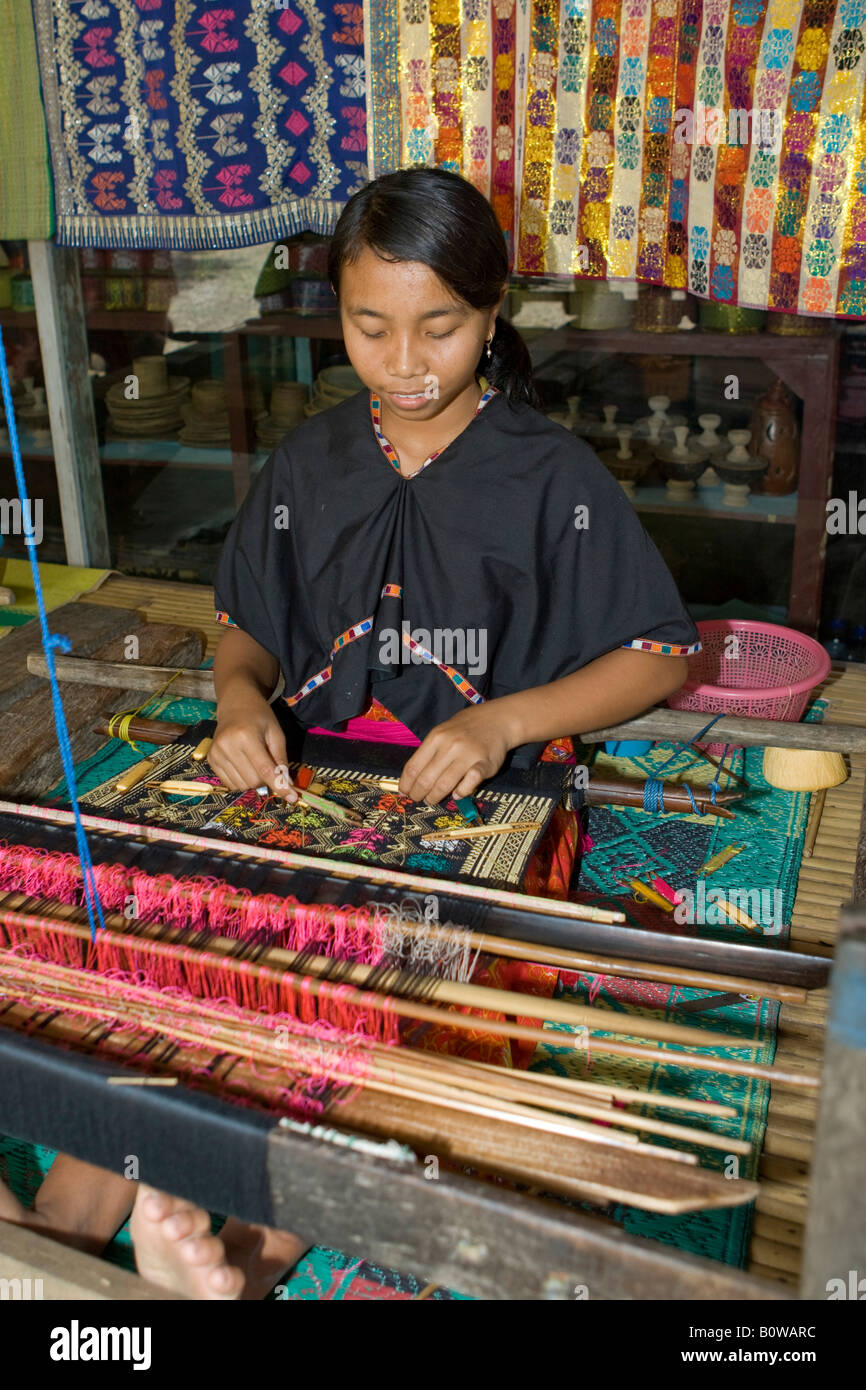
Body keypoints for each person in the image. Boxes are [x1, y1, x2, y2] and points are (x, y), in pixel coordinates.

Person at [4, 167, 699, 1299]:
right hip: (308, 789)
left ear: (491, 314)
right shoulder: (308, 465)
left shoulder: (547, 476)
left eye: (442, 326)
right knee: (195, 960)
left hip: (484, 812)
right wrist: (238, 701)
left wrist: (503, 719)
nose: (406, 361)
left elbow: (660, 654)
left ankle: (247, 1249)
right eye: (370, 327)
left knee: (385, 1012)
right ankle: (64, 1229)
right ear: (335, 315)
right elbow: (247, 629)